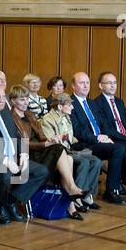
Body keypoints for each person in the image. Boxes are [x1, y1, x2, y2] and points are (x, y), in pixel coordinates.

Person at [68, 71, 126, 207]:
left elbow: (103, 124)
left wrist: (107, 136)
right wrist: (97, 138)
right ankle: (111, 191)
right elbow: (77, 131)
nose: (85, 86)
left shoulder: (91, 103)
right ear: (73, 85)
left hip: (101, 141)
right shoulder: (70, 103)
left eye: (87, 83)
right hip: (85, 144)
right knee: (118, 149)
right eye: (81, 83)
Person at [9, 85, 88, 219]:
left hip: (40, 149)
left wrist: (51, 139)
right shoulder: (11, 117)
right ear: (13, 101)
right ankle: (72, 190)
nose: (26, 102)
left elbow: (41, 135)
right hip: (26, 153)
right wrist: (46, 143)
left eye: (27, 99)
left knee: (68, 159)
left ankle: (71, 203)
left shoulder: (30, 114)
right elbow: (22, 143)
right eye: (22, 99)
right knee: (59, 150)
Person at [0, 83, 48, 223]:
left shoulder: (6, 114)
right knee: (5, 174)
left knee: (42, 171)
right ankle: (0, 206)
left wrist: (23, 154)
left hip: (15, 157)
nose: (2, 100)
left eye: (3, 97)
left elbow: (17, 137)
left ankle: (10, 200)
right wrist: (6, 161)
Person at [40, 92, 102, 209]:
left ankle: (86, 195)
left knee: (96, 161)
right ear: (60, 107)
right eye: (69, 104)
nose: (73, 107)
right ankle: (76, 198)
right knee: (84, 162)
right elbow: (52, 142)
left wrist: (76, 142)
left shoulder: (67, 117)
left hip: (71, 149)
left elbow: (71, 137)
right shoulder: (48, 119)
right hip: (59, 153)